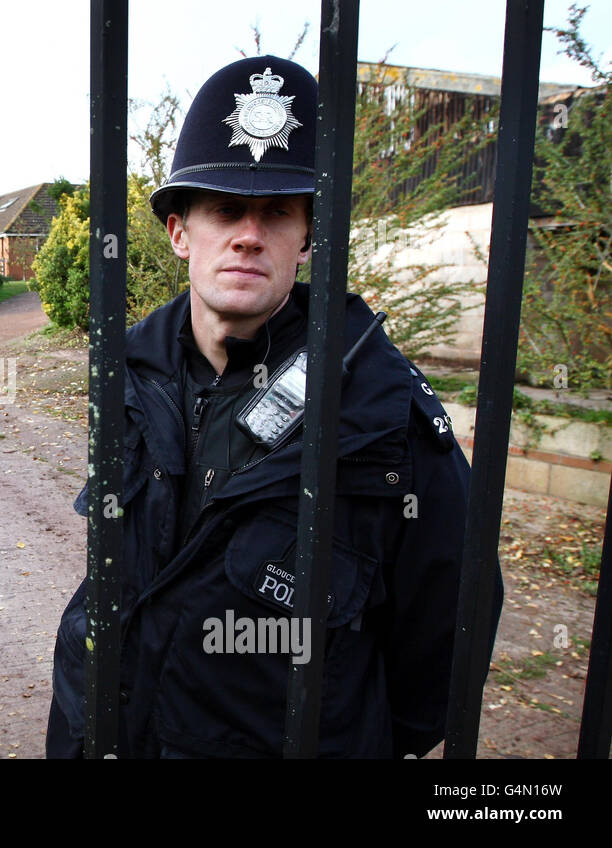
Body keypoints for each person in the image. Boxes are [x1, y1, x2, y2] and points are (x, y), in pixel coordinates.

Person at [45, 55, 504, 758]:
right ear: (179, 233)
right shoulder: (129, 373)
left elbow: (446, 633)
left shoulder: (382, 415)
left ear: (307, 237)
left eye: (277, 213)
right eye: (226, 210)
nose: (249, 235)